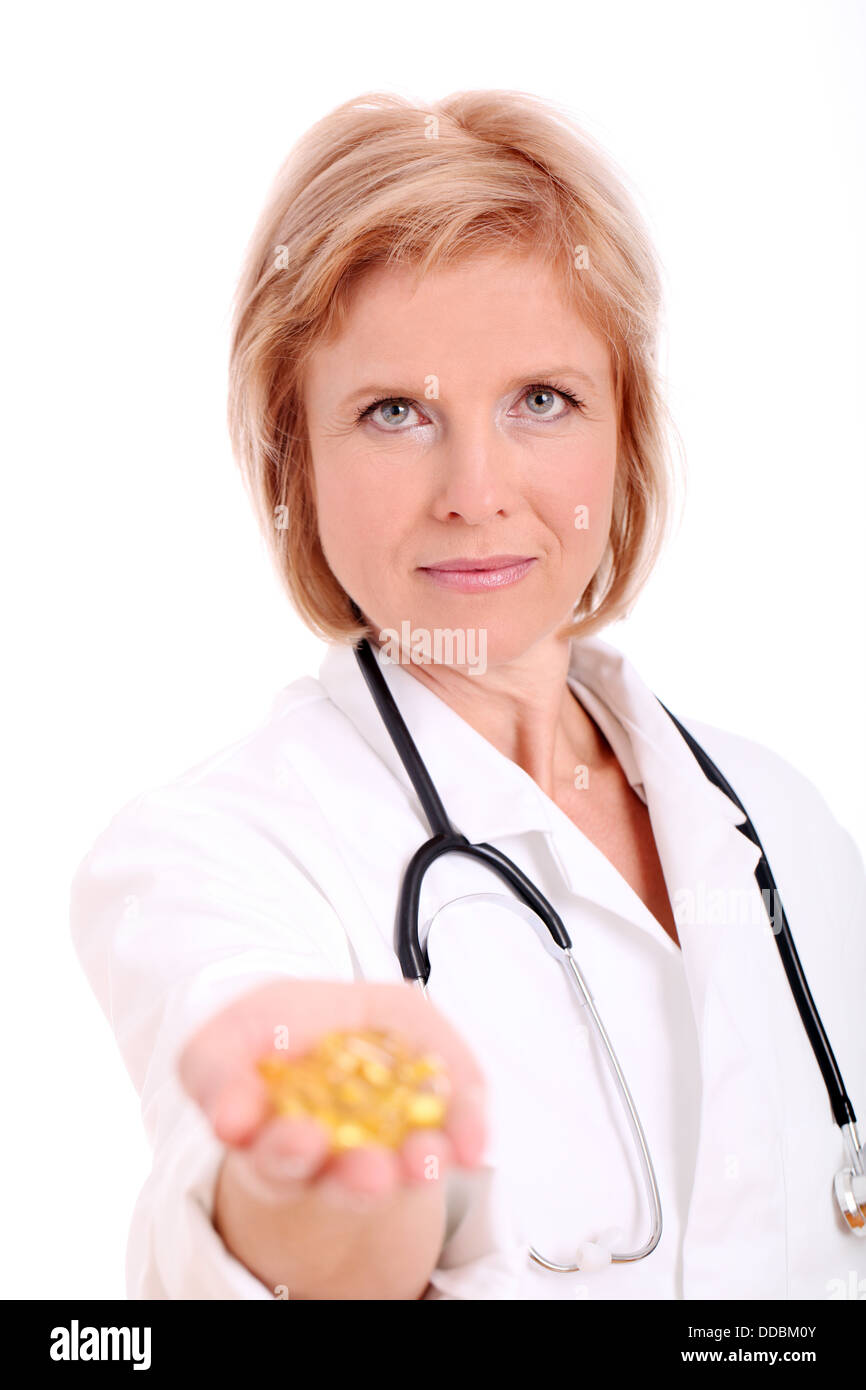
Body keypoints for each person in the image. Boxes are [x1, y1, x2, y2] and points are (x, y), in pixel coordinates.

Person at [69, 88, 866, 1301]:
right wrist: (332, 1157)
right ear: (297, 460)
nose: (475, 490)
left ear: (623, 431)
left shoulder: (780, 818)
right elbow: (278, 1218)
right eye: (396, 412)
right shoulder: (212, 855)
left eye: (539, 400)